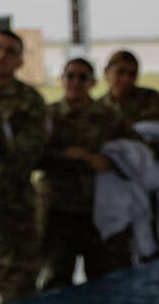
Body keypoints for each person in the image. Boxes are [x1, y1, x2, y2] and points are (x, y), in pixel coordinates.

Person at [0, 30, 51, 302]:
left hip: (13, 207)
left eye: (11, 51)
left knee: (19, 289)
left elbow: (29, 153)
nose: (2, 55)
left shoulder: (29, 100)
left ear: (20, 62)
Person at [37, 59, 129, 289]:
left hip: (98, 210)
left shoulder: (110, 116)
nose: (75, 82)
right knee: (56, 279)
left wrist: (106, 162)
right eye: (70, 76)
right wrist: (67, 157)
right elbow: (33, 155)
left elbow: (132, 155)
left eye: (83, 77)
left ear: (93, 83)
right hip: (58, 209)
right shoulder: (47, 115)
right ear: (61, 80)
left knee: (103, 280)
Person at [102, 49, 159, 255]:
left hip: (157, 193)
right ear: (107, 72)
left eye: (132, 74)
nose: (126, 79)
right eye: (120, 72)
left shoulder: (154, 101)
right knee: (120, 254)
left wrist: (154, 154)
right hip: (119, 197)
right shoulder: (99, 109)